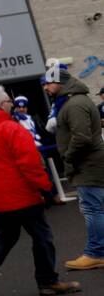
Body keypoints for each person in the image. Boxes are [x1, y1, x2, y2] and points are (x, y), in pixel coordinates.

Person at [0, 85, 79, 296]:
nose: (12, 105)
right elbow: (31, 163)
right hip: (22, 194)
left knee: (4, 235)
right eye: (8, 101)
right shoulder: (11, 128)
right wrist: (46, 189)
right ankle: (47, 281)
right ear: (0, 105)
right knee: (42, 236)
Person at [42, 69, 104, 270]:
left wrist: (68, 157)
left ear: (60, 82)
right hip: (90, 163)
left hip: (87, 165)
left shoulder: (74, 104)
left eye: (49, 83)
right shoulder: (75, 101)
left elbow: (82, 137)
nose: (46, 87)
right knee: (96, 208)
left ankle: (96, 253)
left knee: (92, 209)